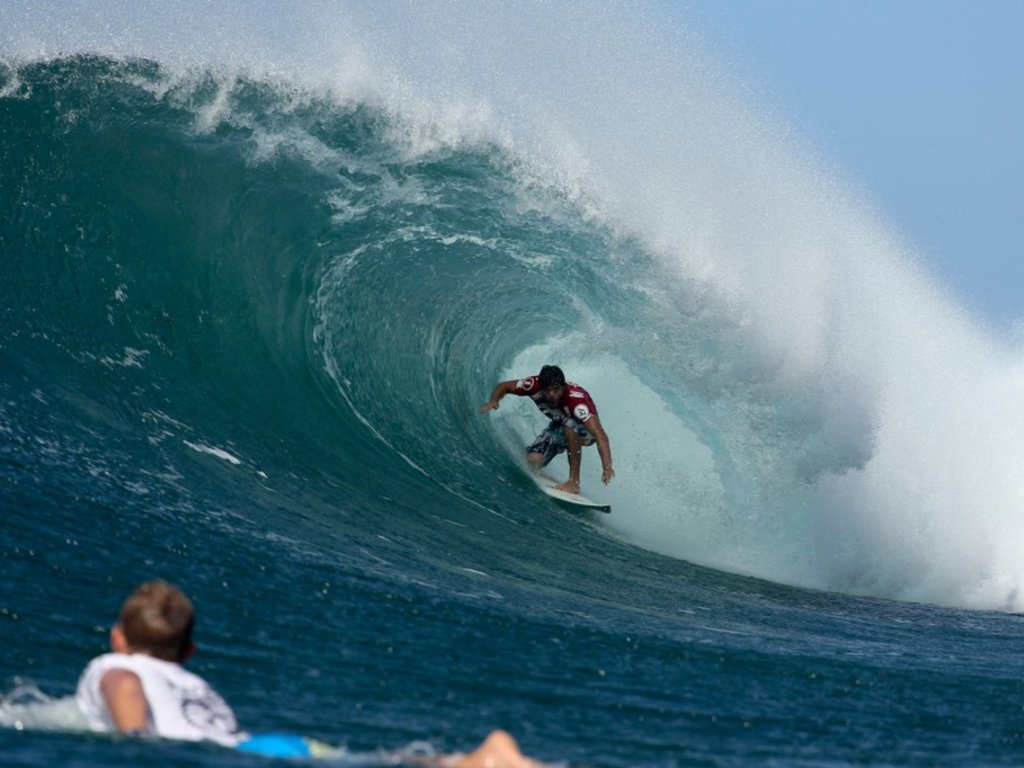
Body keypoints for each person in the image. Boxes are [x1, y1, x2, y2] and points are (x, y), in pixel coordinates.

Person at [76, 580, 542, 766]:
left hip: (256, 752)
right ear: (190, 651)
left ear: (118, 638)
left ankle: (480, 759)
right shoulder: (194, 683)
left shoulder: (115, 666)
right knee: (365, 760)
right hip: (269, 744)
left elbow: (124, 684)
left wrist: (133, 740)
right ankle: (473, 758)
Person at [480, 365, 614, 494]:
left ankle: (574, 482)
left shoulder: (576, 401)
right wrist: (494, 401)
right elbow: (504, 386)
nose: (551, 395)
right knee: (533, 461)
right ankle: (549, 447)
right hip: (559, 424)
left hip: (586, 432)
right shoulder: (532, 385)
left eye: (556, 390)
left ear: (563, 387)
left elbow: (600, 434)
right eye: (547, 390)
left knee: (570, 426)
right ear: (541, 388)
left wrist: (607, 467)